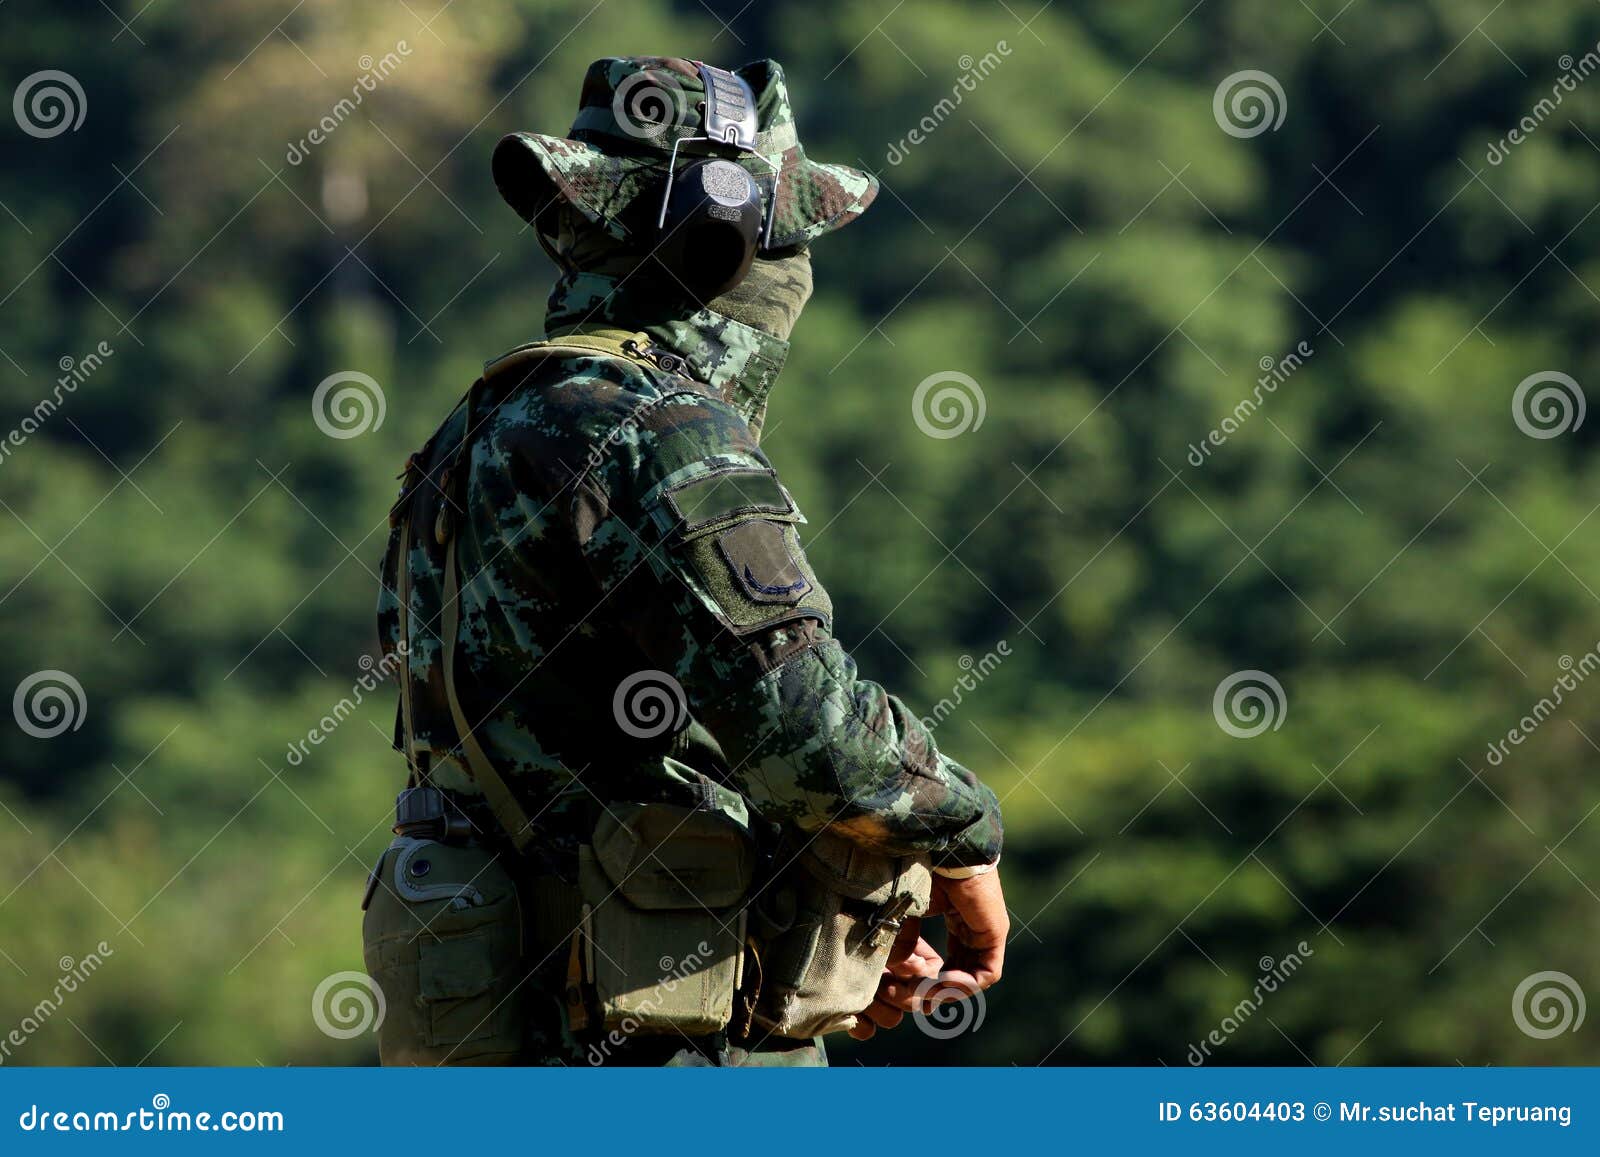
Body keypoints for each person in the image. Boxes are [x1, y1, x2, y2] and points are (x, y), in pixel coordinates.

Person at [367, 56, 1006, 1067]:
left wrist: (830, 934)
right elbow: (809, 735)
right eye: (787, 236)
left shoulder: (483, 424)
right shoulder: (663, 430)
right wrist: (962, 833)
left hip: (503, 1029)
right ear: (717, 239)